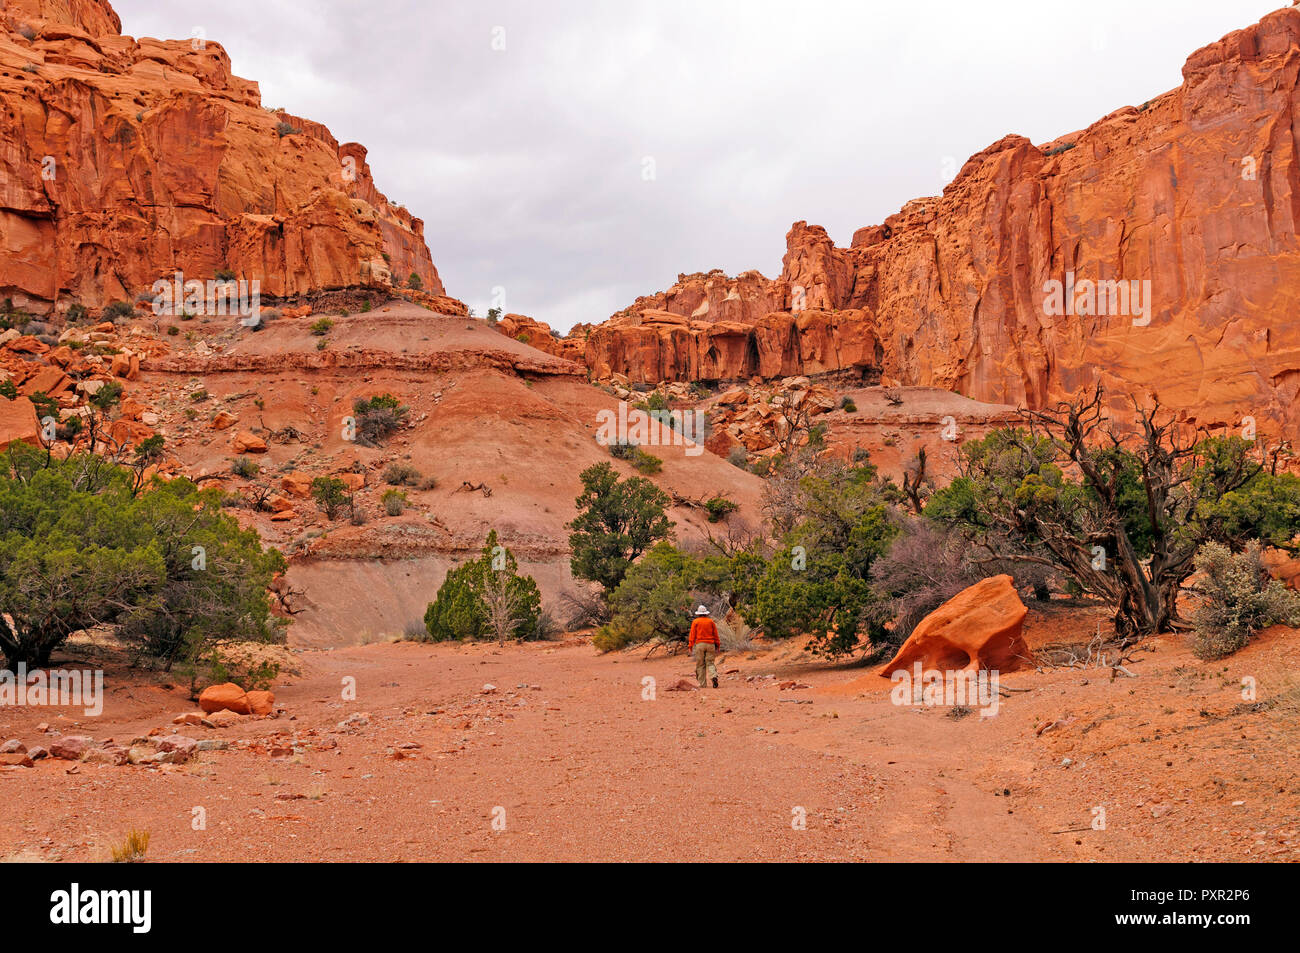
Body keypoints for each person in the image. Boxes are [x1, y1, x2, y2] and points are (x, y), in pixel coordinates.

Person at [688, 604, 720, 688]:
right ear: (706, 613)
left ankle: (702, 684)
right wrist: (717, 645)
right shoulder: (711, 621)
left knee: (700, 664)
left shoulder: (695, 622)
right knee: (710, 663)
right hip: (710, 644)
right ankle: (713, 676)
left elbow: (692, 635)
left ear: (698, 614)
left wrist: (690, 646)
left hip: (700, 644)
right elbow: (715, 634)